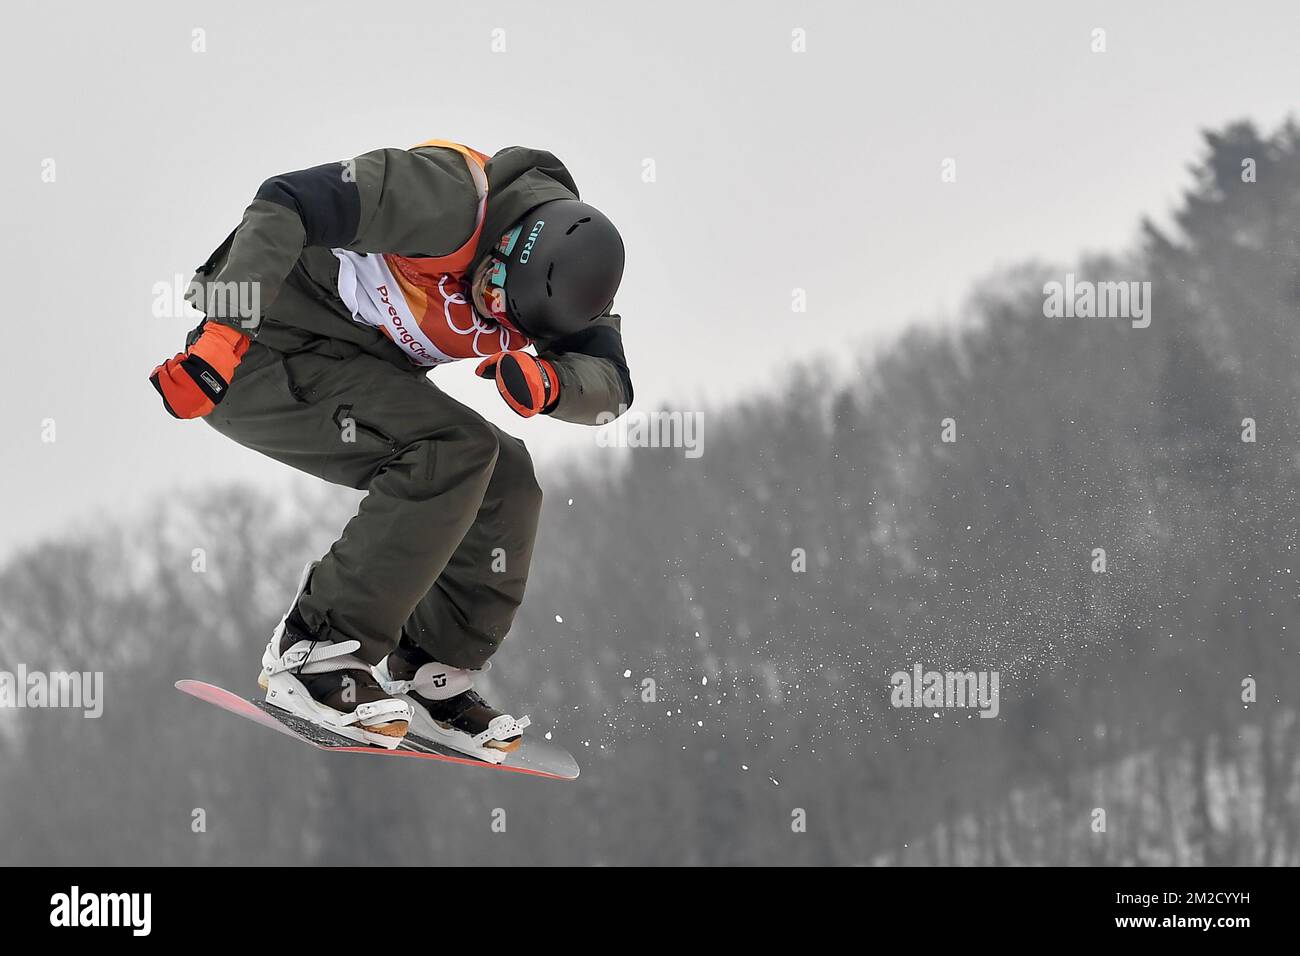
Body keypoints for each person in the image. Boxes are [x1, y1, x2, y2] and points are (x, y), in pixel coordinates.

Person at [149, 139, 630, 762]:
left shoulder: (567, 286)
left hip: (354, 371)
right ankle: (313, 652)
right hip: (261, 354)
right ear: (506, 244)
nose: (491, 315)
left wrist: (553, 383)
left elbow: (612, 385)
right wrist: (222, 336)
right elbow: (285, 200)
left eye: (513, 322)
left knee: (505, 475)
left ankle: (431, 673)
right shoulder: (446, 198)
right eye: (492, 290)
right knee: (450, 449)